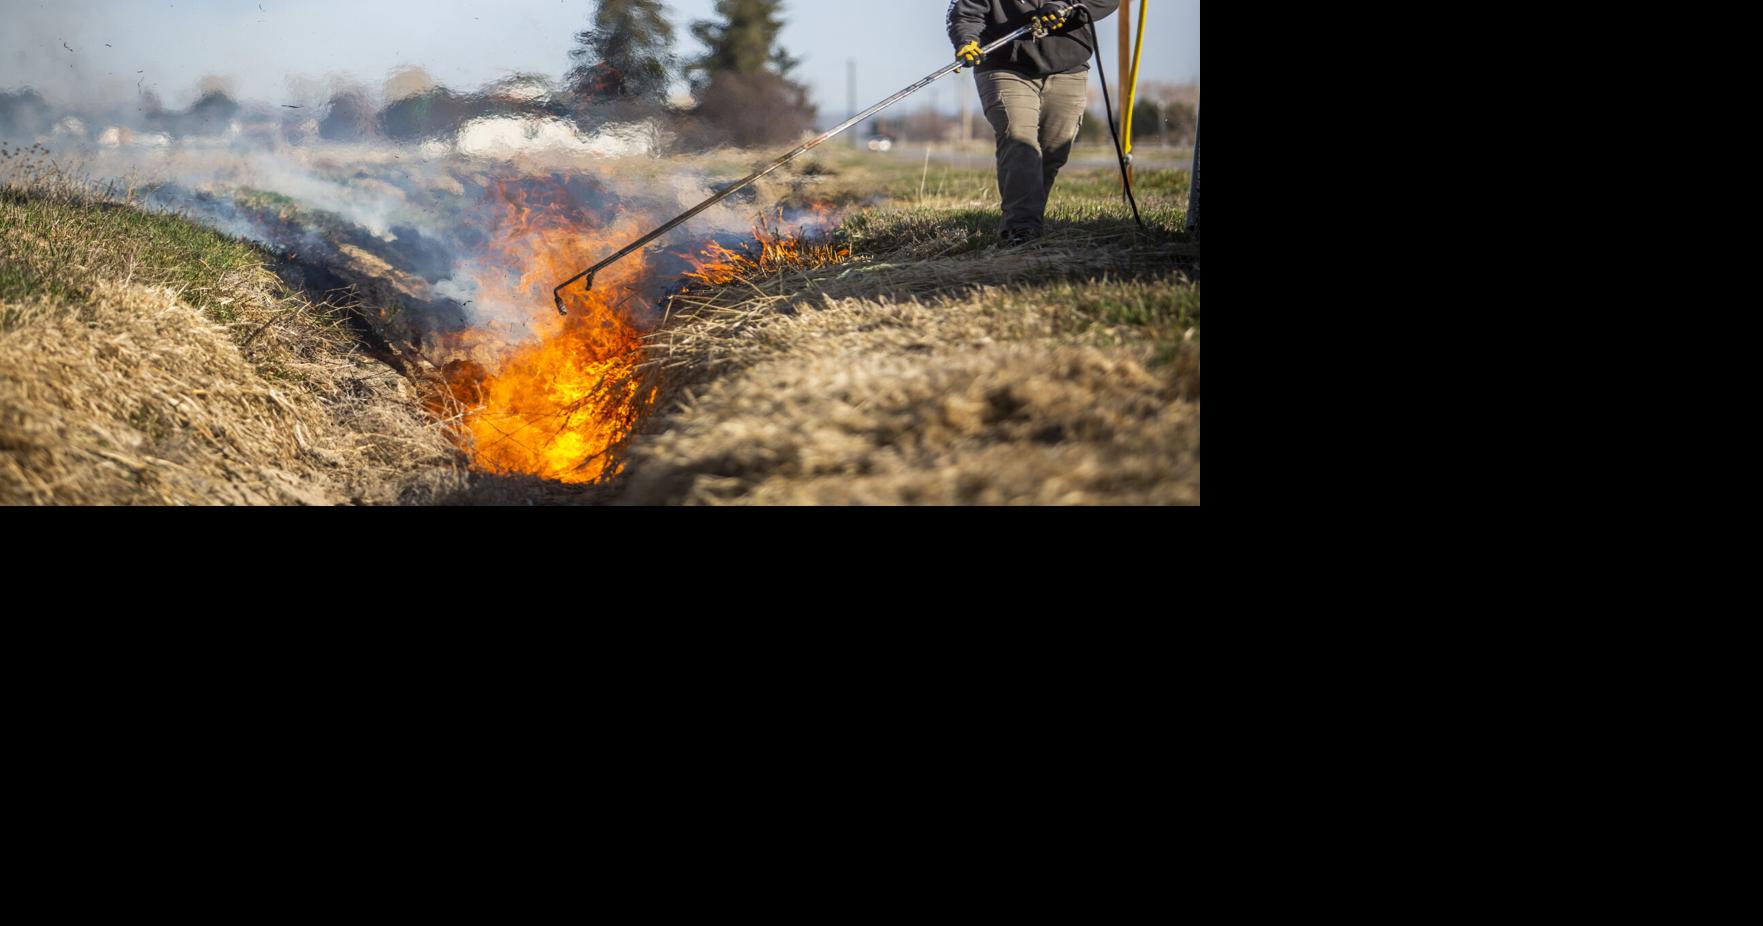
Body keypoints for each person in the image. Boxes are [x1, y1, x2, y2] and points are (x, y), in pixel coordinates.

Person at [947, 0, 1119, 244]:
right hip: (1004, 64)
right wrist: (966, 40)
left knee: (1054, 150)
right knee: (1019, 142)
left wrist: (1065, 7)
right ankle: (1020, 231)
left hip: (1068, 65)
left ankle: (1029, 218)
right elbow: (965, 12)